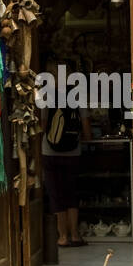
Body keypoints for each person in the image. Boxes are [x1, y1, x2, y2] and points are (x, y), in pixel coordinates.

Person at [42, 103, 92, 247]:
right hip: (72, 153)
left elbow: (43, 125)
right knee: (71, 193)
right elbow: (86, 125)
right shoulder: (77, 97)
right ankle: (75, 235)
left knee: (55, 194)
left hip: (50, 152)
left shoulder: (47, 98)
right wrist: (86, 138)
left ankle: (63, 237)